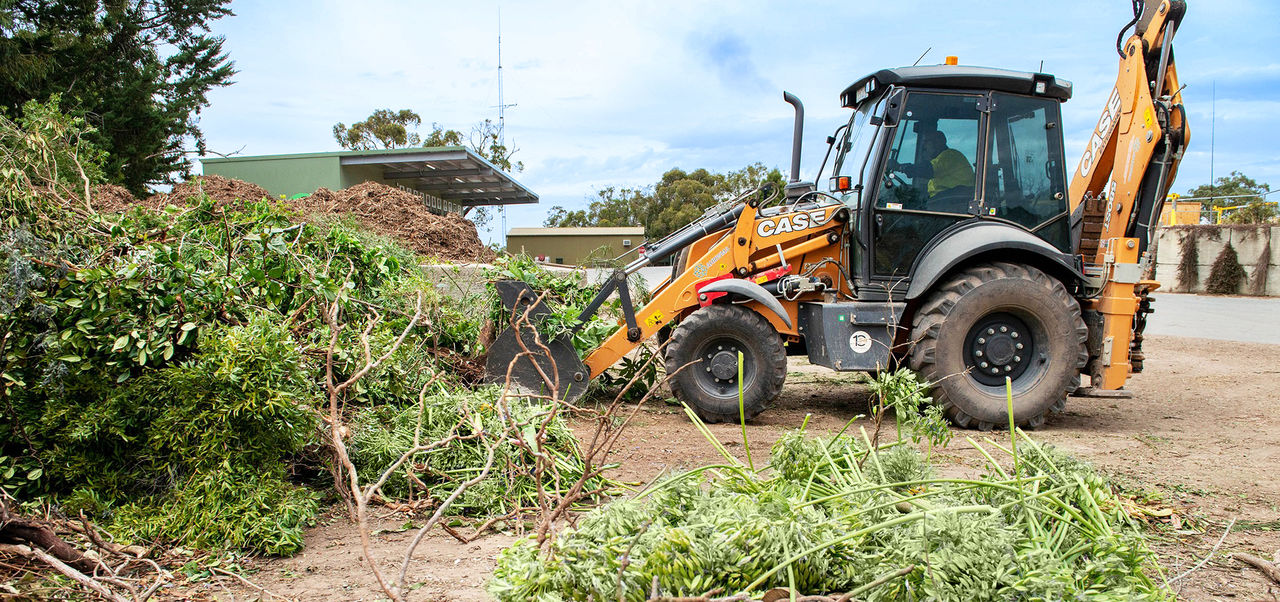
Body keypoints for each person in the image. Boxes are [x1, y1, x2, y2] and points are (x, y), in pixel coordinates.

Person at [893, 130, 975, 198]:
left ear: (938, 143)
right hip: (947, 198)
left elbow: (927, 170)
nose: (924, 147)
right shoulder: (941, 161)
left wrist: (900, 167)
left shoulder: (950, 155)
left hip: (953, 199)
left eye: (926, 142)